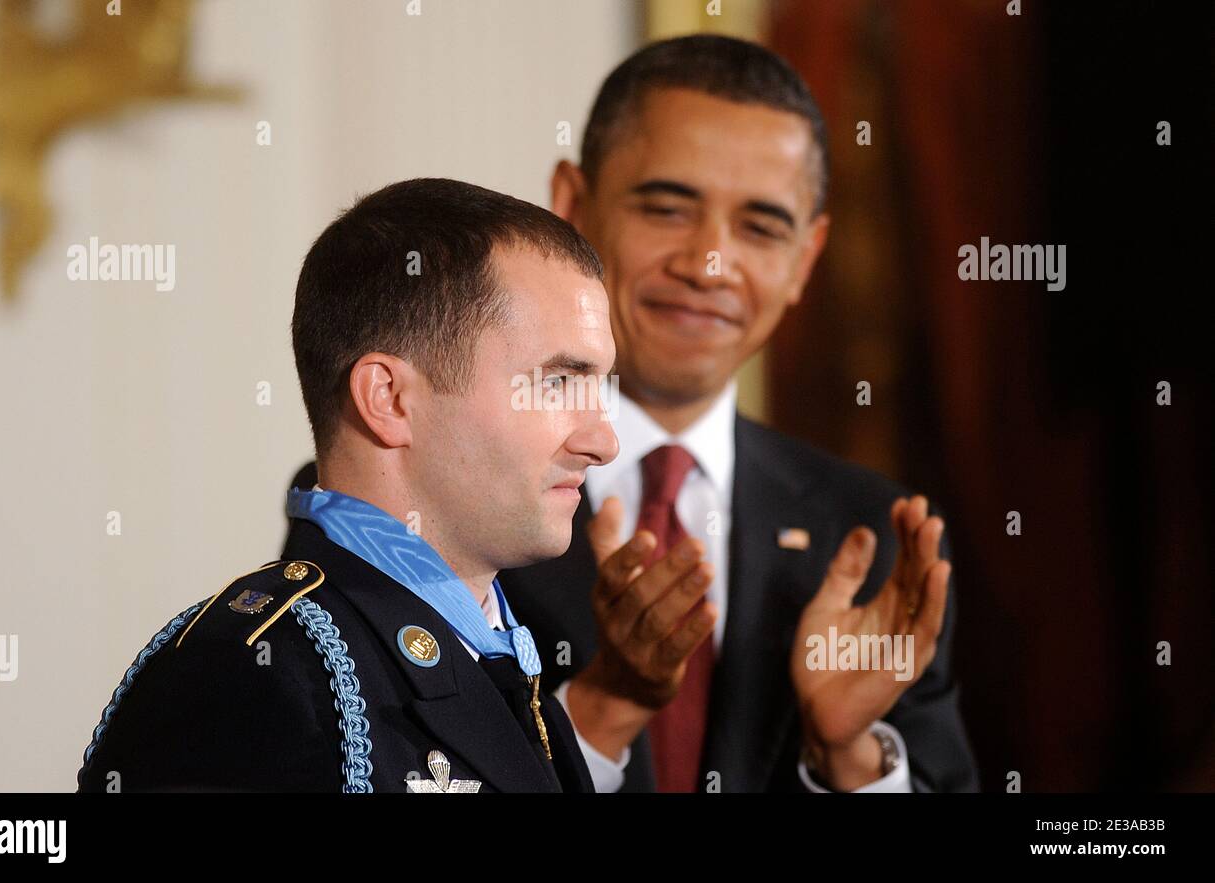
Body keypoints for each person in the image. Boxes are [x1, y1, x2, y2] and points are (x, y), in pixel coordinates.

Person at [287, 35, 980, 793]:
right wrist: (604, 706)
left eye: (760, 226)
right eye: (667, 207)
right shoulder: (424, 492)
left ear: (806, 259)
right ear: (574, 205)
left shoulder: (872, 529)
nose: (708, 263)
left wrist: (848, 756)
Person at [78, 177, 619, 793]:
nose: (603, 441)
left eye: (598, 386)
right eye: (556, 383)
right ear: (388, 399)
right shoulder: (259, 676)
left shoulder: (500, 662)